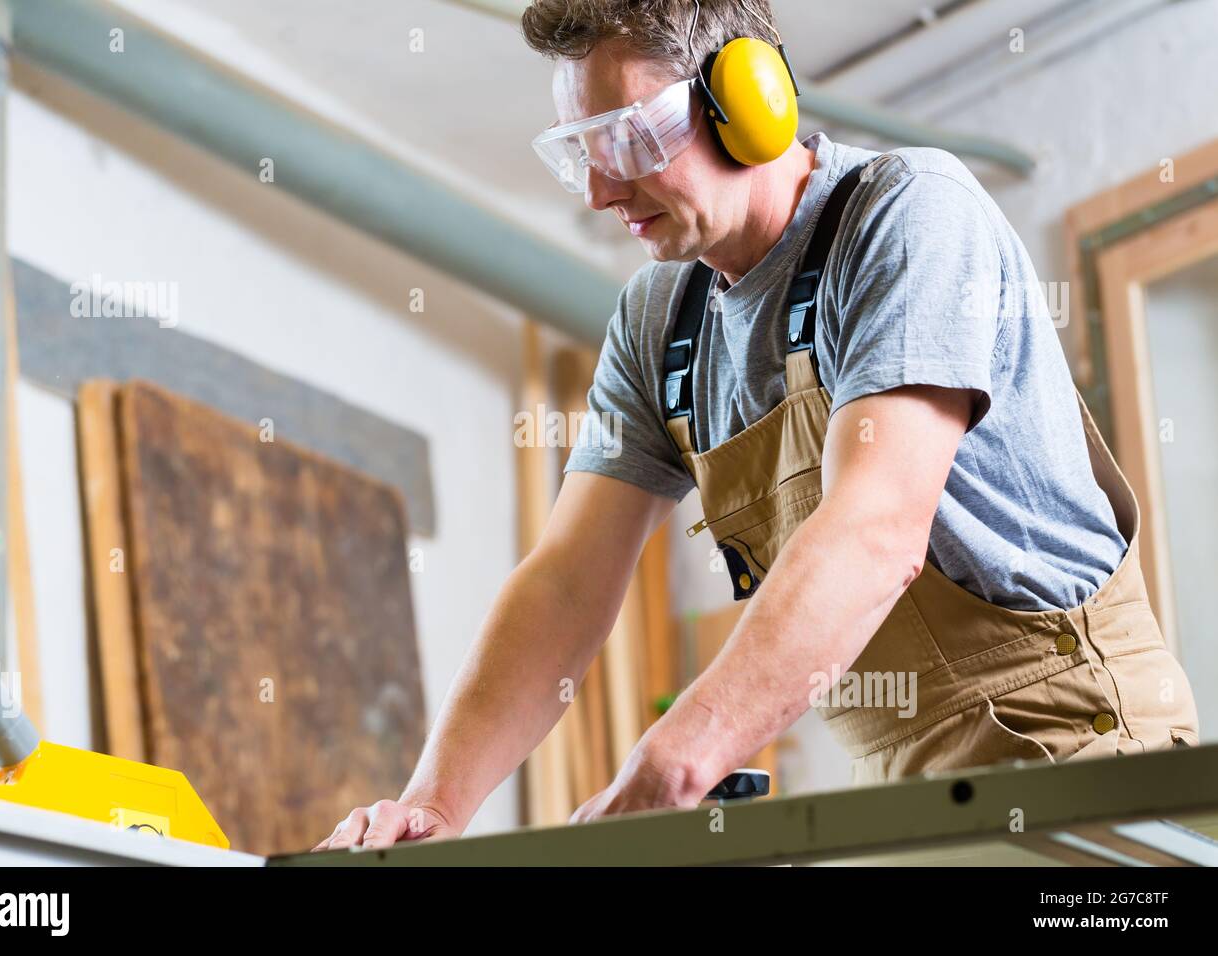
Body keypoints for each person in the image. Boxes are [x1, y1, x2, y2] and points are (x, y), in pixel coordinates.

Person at [315, 0, 1198, 852]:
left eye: (626, 135)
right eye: (578, 150)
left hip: (1077, 748)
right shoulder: (659, 320)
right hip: (907, 789)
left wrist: (671, 765)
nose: (596, 188)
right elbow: (563, 586)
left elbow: (875, 533)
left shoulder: (908, 215)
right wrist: (431, 806)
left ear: (748, 98)